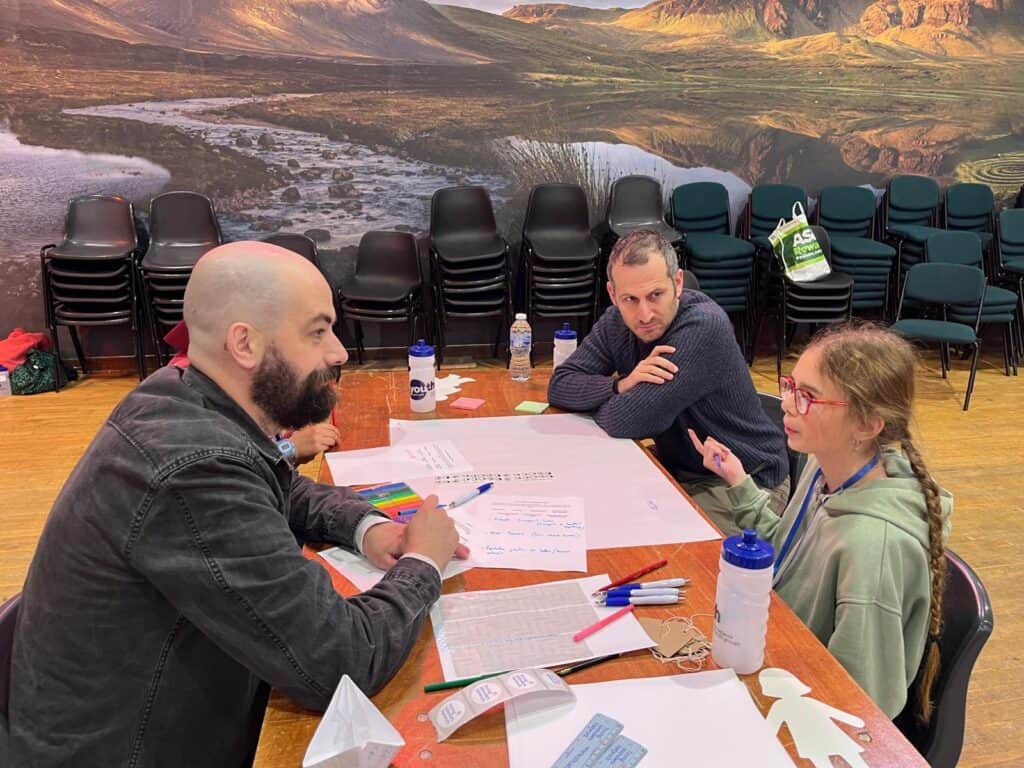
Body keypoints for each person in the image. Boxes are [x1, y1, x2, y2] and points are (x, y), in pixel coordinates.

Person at [5, 242, 469, 767]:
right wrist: (424, 562)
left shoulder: (180, 393)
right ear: (244, 343)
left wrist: (364, 525)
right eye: (317, 332)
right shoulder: (193, 467)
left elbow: (272, 480)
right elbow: (342, 661)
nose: (338, 353)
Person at [688, 324, 950, 719]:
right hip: (777, 654)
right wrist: (739, 481)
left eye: (808, 397)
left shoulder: (870, 547)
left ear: (866, 425)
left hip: (806, 706)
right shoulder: (824, 467)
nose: (788, 404)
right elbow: (787, 551)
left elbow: (862, 704)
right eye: (791, 387)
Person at [547, 228, 789, 530]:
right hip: (681, 471)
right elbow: (560, 385)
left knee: (642, 538)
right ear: (612, 294)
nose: (644, 314)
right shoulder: (615, 322)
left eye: (655, 295)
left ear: (677, 283)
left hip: (743, 483)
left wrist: (613, 401)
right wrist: (621, 384)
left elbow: (627, 420)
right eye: (630, 299)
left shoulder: (702, 328)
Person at [165, 318, 339, 464]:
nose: (340, 355)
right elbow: (220, 471)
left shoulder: (252, 368)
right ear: (243, 341)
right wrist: (290, 449)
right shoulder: (195, 387)